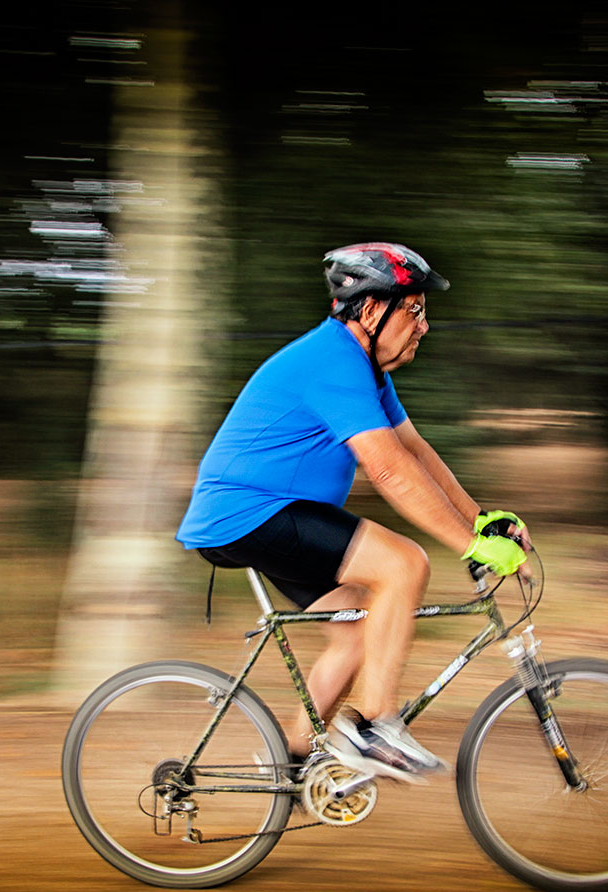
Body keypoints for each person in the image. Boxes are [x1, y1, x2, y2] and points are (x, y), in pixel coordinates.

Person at [175, 242, 529, 781]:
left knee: (361, 626)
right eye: (414, 310)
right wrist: (472, 548)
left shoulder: (366, 372)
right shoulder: (332, 362)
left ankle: (292, 762)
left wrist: (480, 519)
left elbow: (414, 451)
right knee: (403, 564)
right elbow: (388, 470)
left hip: (266, 515)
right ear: (370, 311)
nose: (424, 326)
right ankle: (371, 727)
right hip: (250, 513)